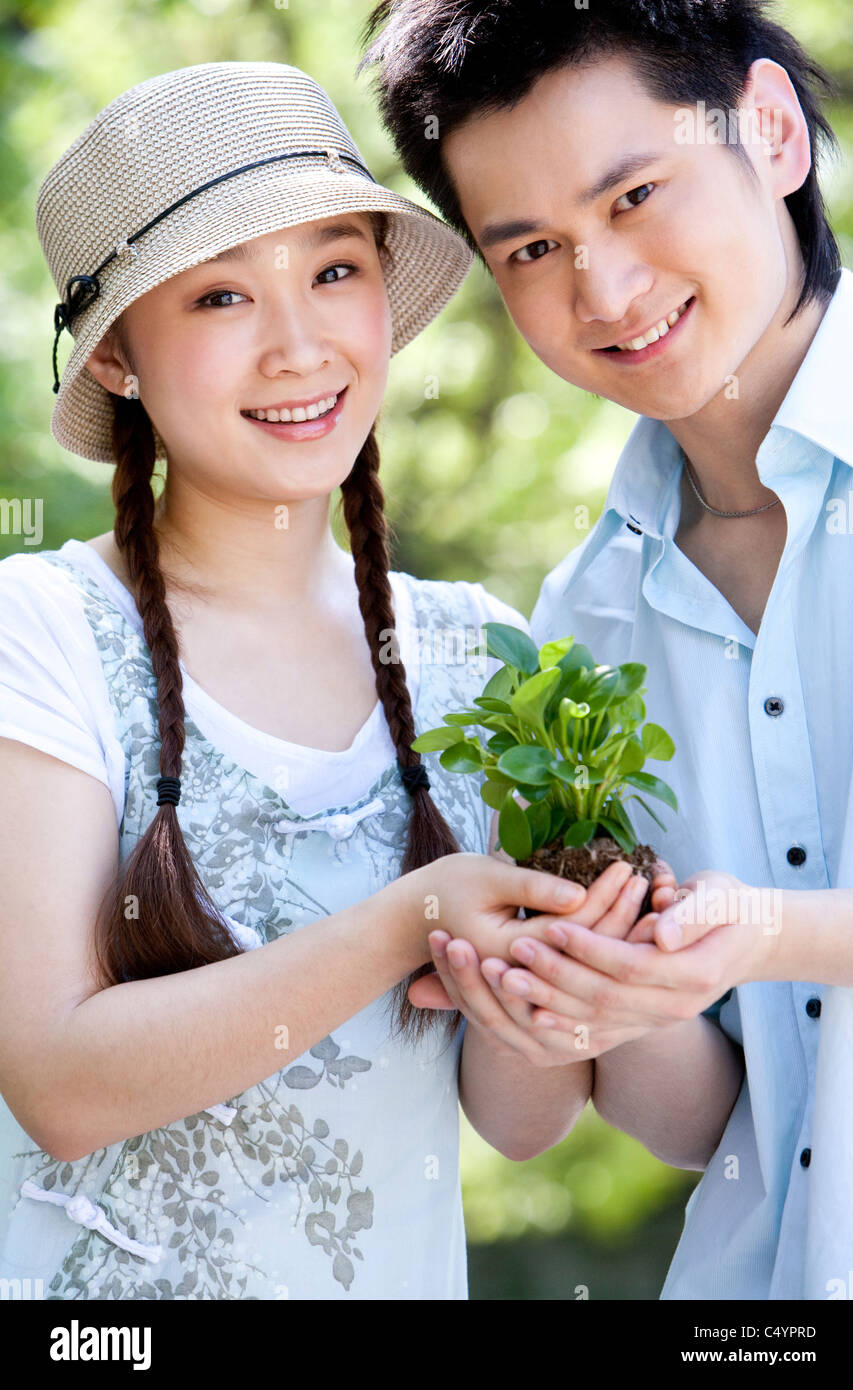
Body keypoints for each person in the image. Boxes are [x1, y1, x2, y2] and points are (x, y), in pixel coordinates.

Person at [0, 59, 665, 1301]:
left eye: (334, 270)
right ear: (115, 362)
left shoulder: (474, 655)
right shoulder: (39, 632)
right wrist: (409, 915)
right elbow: (63, 1085)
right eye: (217, 299)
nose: (299, 345)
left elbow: (520, 1124)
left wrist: (570, 962)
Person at [363, 0, 853, 1299]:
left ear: (768, 131)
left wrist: (764, 930)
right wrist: (600, 996)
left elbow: (762, 942)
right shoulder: (588, 618)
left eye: (634, 193)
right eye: (529, 246)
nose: (600, 287)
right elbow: (711, 1125)